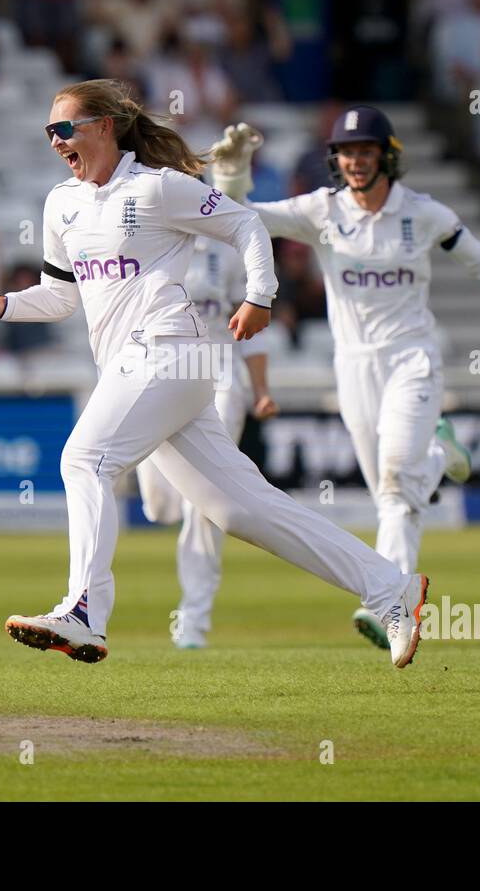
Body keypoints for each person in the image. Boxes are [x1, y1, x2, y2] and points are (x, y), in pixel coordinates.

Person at [0, 79, 428, 669]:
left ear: (105, 125)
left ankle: (84, 612)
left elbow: (245, 225)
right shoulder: (60, 204)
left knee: (83, 460)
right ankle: (389, 586)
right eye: (48, 132)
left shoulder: (158, 187)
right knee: (243, 509)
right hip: (140, 366)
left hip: (171, 349)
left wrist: (260, 296)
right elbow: (59, 296)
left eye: (64, 128)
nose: (55, 141)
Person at [209, 107, 480, 648]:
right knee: (391, 493)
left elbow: (479, 260)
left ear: (387, 154)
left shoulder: (422, 212)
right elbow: (240, 218)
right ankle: (438, 454)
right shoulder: (321, 210)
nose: (356, 161)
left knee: (394, 483)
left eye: (366, 150)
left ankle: (387, 603)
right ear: (335, 159)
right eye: (346, 152)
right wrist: (231, 178)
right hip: (353, 363)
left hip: (413, 355)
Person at [134, 235, 279, 649]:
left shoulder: (226, 248)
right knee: (160, 507)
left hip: (217, 369)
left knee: (206, 501)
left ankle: (193, 621)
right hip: (159, 367)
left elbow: (253, 326)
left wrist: (262, 389)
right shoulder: (146, 237)